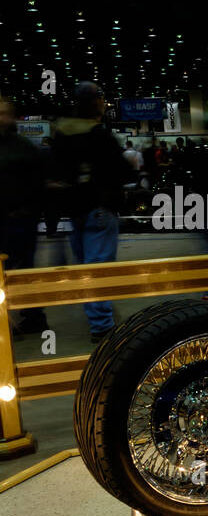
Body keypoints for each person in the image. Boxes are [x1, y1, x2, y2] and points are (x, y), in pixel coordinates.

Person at [50, 82, 131, 341]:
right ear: (95, 102)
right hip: (100, 207)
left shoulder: (61, 133)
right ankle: (102, 325)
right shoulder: (99, 134)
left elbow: (56, 172)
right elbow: (121, 170)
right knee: (98, 268)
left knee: (85, 266)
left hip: (75, 209)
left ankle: (96, 316)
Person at [0, 96, 50, 336]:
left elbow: (38, 184)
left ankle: (32, 317)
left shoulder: (23, 147)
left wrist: (27, 212)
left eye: (4, 113)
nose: (1, 118)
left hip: (19, 221)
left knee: (22, 271)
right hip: (11, 219)